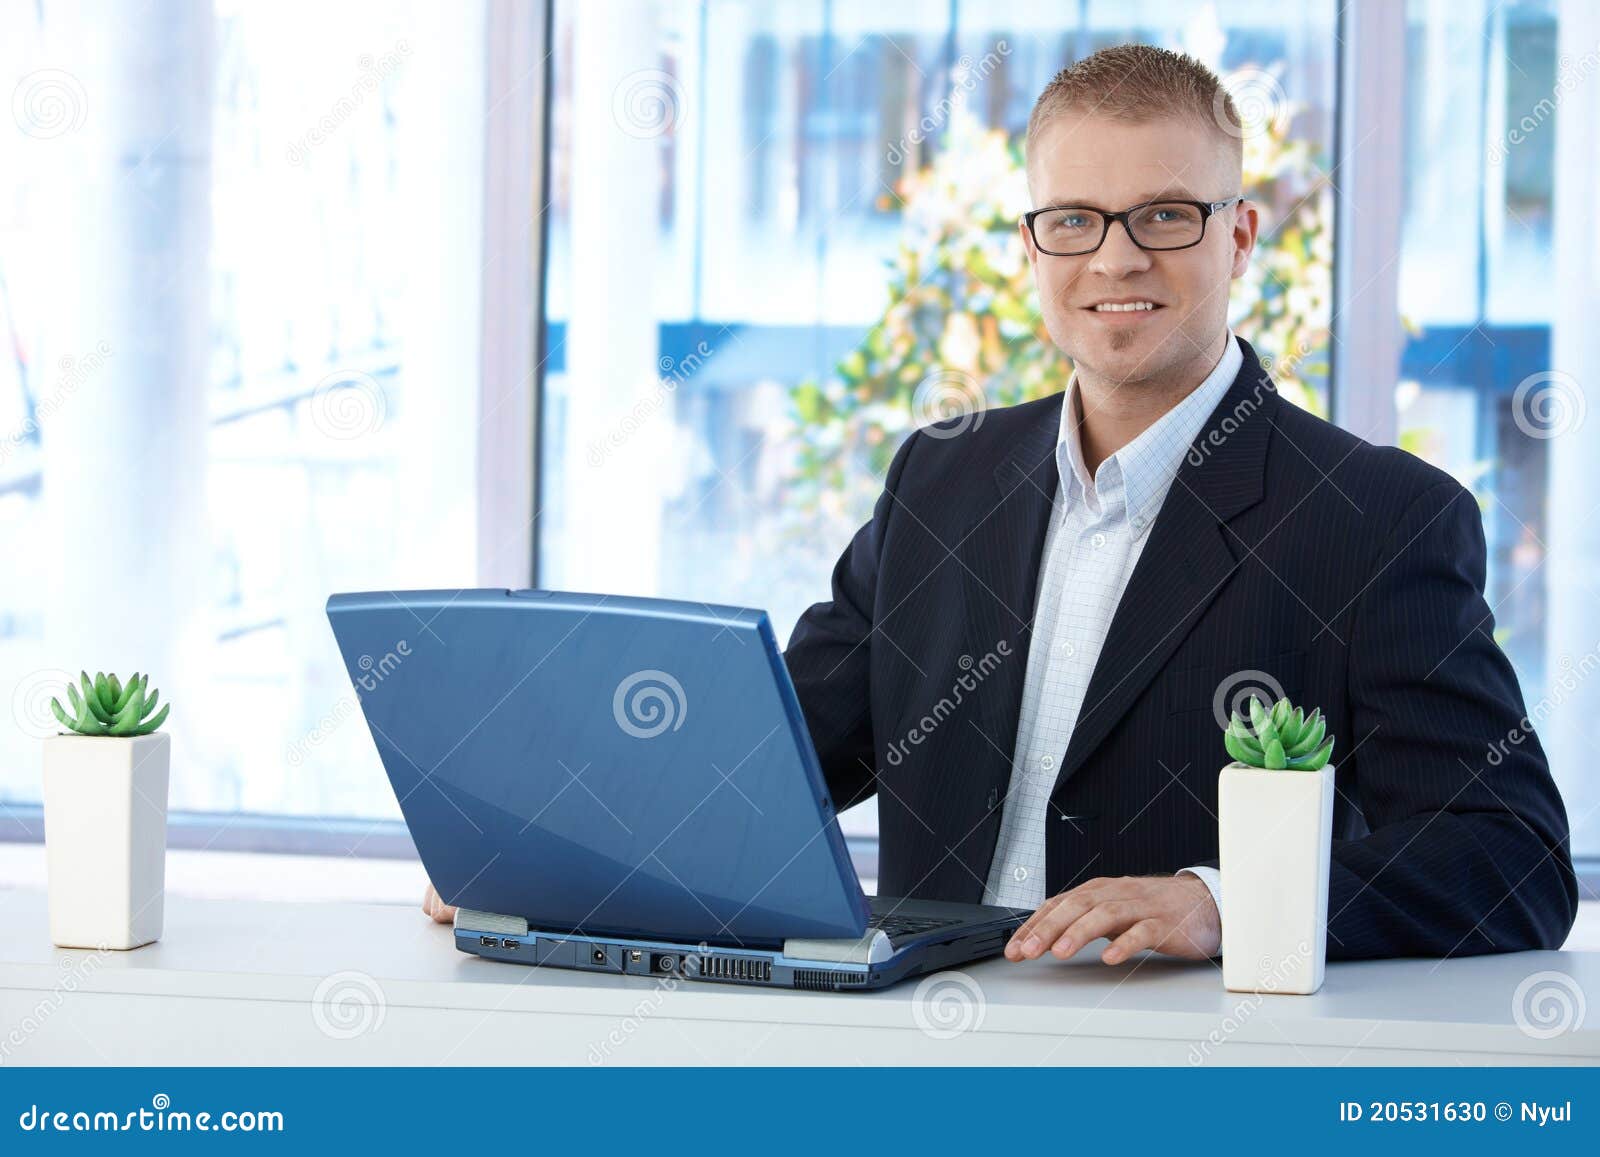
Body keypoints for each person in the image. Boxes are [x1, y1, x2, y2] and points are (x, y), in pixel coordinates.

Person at [428, 44, 1576, 968]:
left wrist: (1219, 900)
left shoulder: (1376, 516)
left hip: (1183, 1068)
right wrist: (548, 850)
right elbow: (775, 760)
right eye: (1072, 218)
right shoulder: (942, 478)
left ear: (1237, 234)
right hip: (915, 1056)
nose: (1113, 257)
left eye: (1164, 216)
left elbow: (1509, 853)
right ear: (1033, 241)